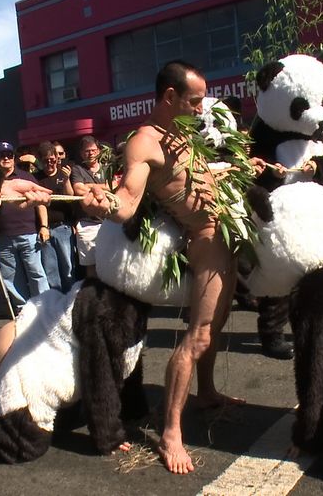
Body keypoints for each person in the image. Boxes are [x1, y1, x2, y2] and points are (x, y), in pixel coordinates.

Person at [81, 60, 265, 474]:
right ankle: (170, 432)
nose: (202, 109)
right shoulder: (145, 143)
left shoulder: (180, 133)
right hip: (206, 246)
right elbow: (127, 202)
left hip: (225, 239)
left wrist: (232, 168)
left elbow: (195, 180)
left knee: (213, 328)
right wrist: (102, 203)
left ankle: (208, 392)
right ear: (170, 97)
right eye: (195, 101)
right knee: (198, 336)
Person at [0, 142, 50, 313]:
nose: (6, 158)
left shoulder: (26, 177)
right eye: (1, 155)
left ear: (14, 157)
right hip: (1, 236)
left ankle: (44, 309)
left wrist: (43, 226)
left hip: (28, 233)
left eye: (9, 155)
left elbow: (41, 203)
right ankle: (23, 311)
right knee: (10, 277)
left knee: (36, 273)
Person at [36, 141, 76, 292]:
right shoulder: (36, 178)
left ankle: (70, 297)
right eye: (45, 160)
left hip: (62, 227)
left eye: (52, 160)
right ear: (40, 161)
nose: (50, 163)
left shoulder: (63, 174)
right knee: (50, 268)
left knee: (68, 267)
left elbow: (70, 197)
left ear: (57, 159)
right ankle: (56, 300)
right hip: (44, 229)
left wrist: (66, 180)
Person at [71, 136, 109, 277]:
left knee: (110, 260)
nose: (91, 153)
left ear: (99, 151)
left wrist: (90, 186)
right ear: (81, 154)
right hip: (88, 224)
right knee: (91, 265)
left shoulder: (107, 169)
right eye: (87, 151)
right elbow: (79, 189)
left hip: (109, 222)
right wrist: (105, 187)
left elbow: (116, 187)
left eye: (93, 150)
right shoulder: (78, 170)